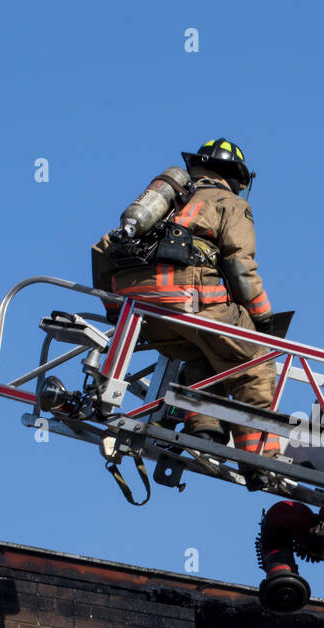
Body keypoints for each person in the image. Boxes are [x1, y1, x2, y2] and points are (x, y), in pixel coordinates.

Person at [104, 138, 280, 462]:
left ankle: (204, 427)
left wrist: (115, 310)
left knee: (205, 354)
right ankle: (260, 460)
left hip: (142, 315)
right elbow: (241, 268)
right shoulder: (228, 202)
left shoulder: (162, 203)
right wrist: (264, 321)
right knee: (254, 363)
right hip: (190, 301)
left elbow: (103, 248)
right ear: (237, 177)